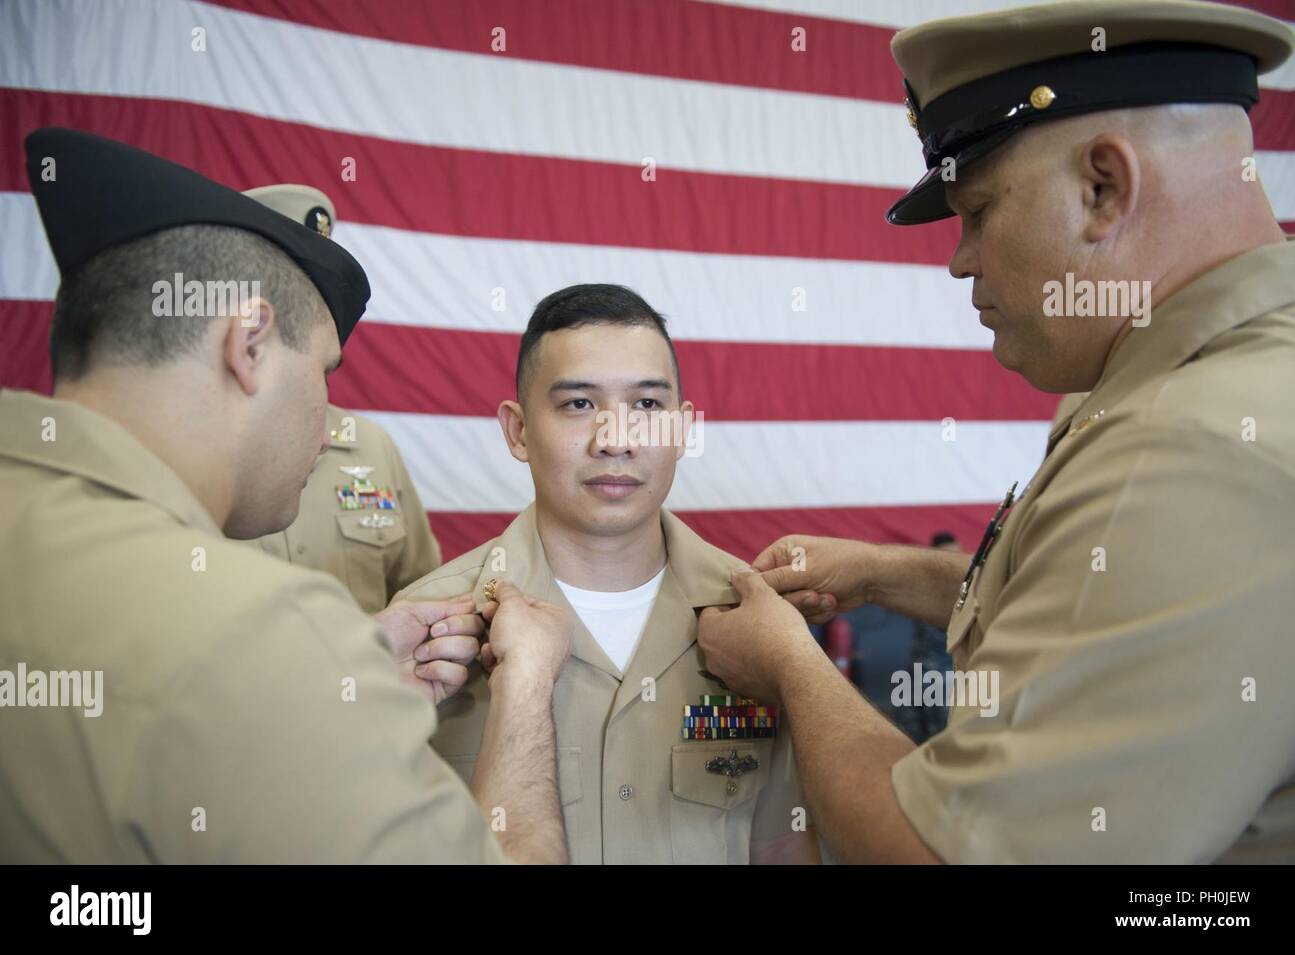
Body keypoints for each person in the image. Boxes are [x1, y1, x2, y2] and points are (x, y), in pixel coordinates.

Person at [697, 0, 1295, 863]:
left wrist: (791, 672)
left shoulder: (1186, 449)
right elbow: (1099, 606)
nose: (960, 258)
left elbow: (940, 855)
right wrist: (888, 573)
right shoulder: (1212, 377)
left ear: (1103, 186)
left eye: (977, 210)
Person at [0, 128, 570, 863]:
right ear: (249, 344)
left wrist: (337, 666)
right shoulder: (269, 635)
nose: (326, 411)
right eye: (323, 369)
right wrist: (526, 685)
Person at [394, 284, 820, 864]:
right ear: (518, 432)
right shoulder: (424, 634)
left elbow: (779, 845)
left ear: (684, 429)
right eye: (578, 405)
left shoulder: (761, 621)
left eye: (647, 406)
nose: (616, 440)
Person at [245, 184, 442, 613]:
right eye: (285, 296)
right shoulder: (188, 452)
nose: (311, 314)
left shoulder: (371, 446)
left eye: (322, 297)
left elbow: (423, 595)